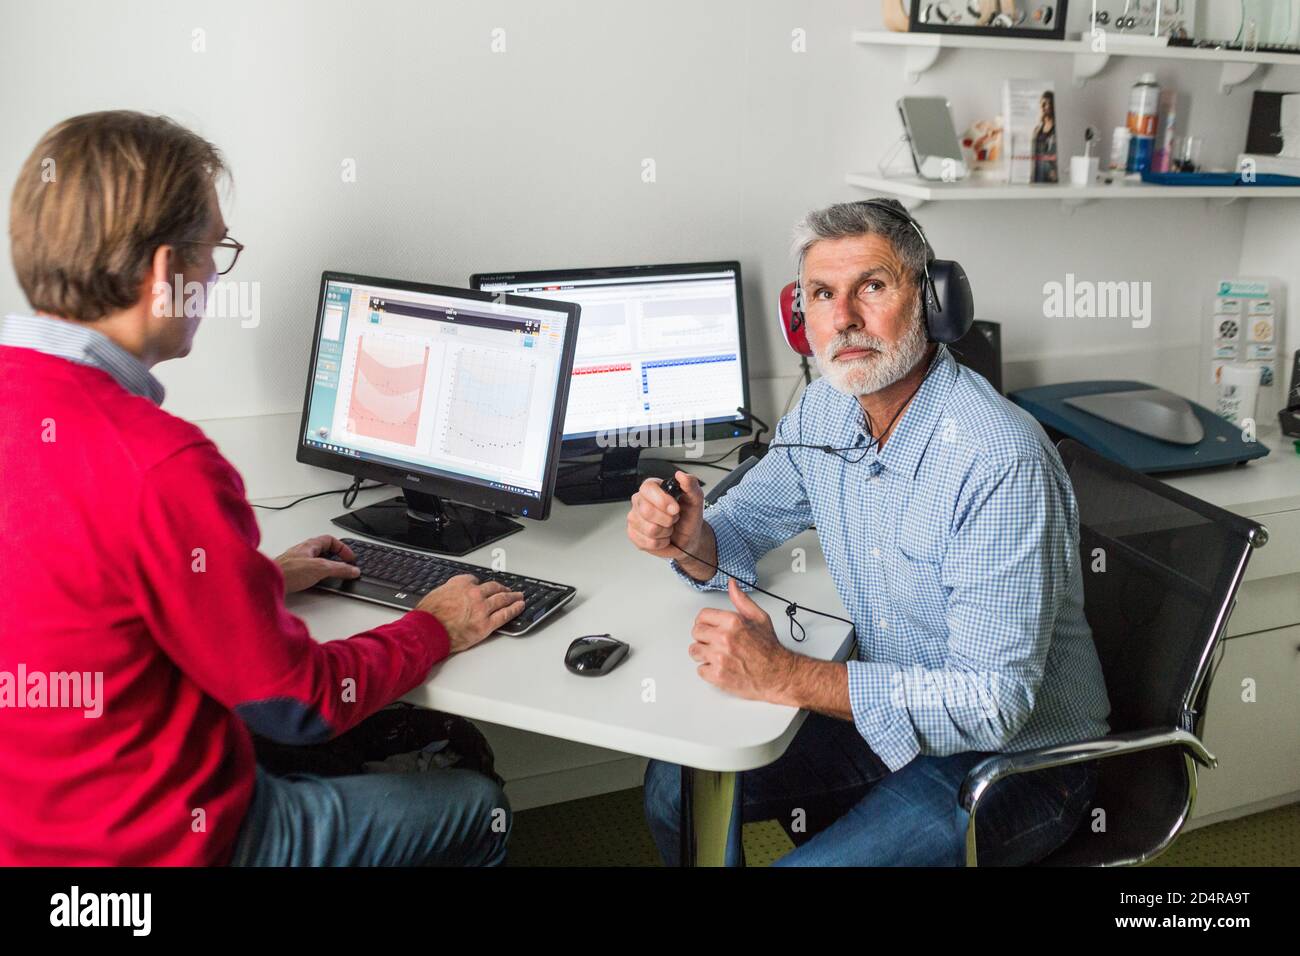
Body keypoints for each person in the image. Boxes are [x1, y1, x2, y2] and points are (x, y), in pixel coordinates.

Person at [0, 111, 522, 866]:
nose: (216, 275)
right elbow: (297, 704)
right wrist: (435, 625)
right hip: (158, 850)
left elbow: (73, 597)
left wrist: (257, 583)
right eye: (216, 249)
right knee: (476, 809)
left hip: (32, 834)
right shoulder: (161, 464)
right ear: (162, 272)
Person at [627, 199, 1111, 866]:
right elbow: (744, 523)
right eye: (823, 294)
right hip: (892, 708)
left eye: (872, 287)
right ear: (802, 319)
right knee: (675, 786)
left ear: (932, 302)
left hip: (1016, 763)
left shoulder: (997, 460)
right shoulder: (827, 408)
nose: (845, 318)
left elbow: (992, 704)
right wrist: (692, 537)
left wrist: (789, 677)